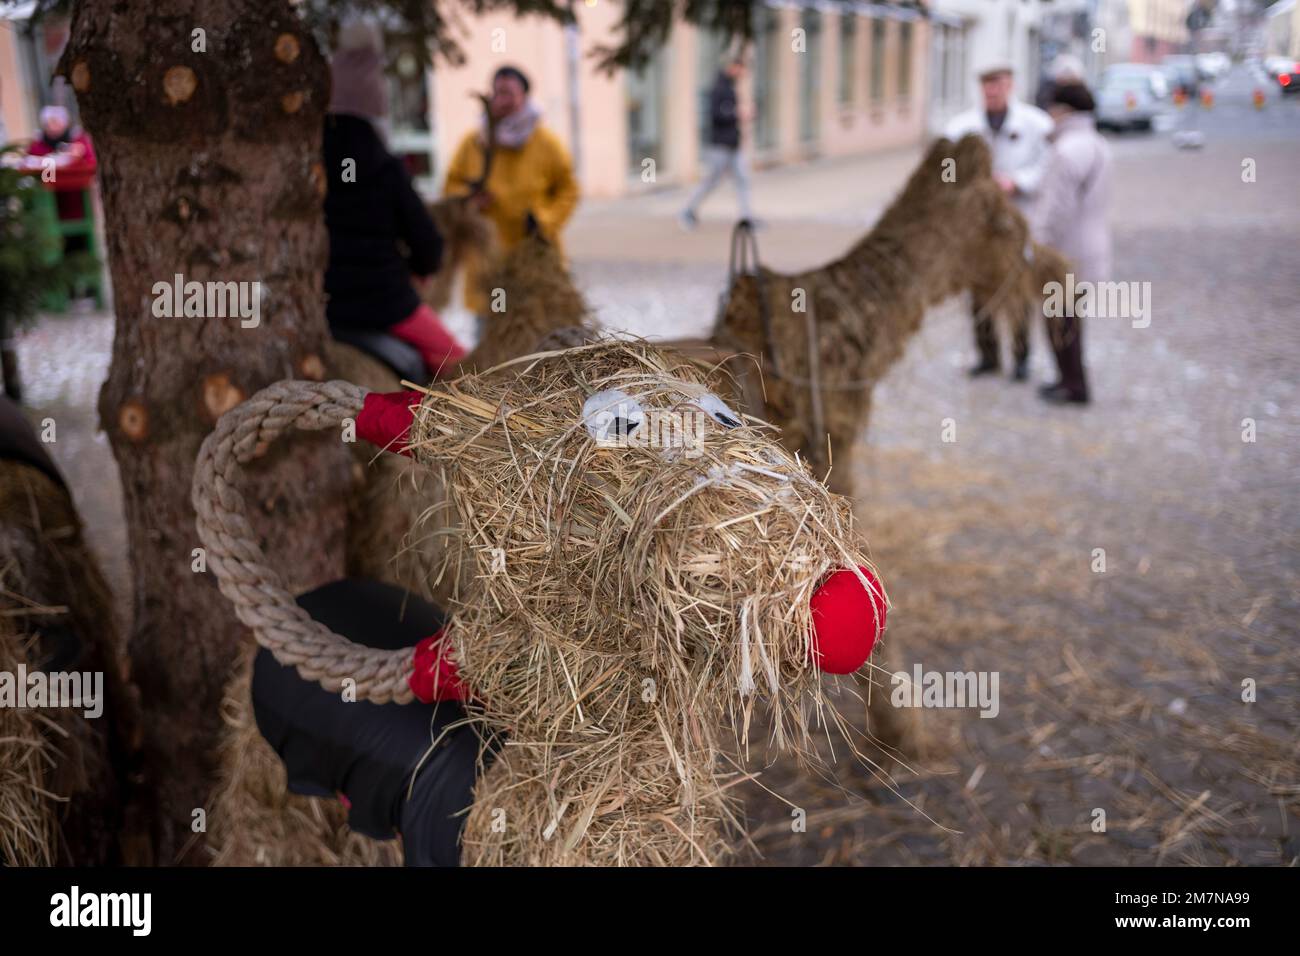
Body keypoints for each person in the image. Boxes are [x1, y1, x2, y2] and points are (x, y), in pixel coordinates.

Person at [322, 21, 465, 376]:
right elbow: (426, 241)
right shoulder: (385, 166)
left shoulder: (308, 163)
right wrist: (423, 268)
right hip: (386, 303)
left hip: (326, 305)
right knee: (461, 365)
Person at [945, 61, 1053, 381]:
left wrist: (1018, 181)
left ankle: (1021, 357)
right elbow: (945, 169)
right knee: (979, 290)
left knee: (1017, 287)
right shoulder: (961, 127)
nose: (993, 91)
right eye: (987, 86)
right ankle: (987, 355)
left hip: (1017, 220)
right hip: (977, 225)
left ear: (1010, 86)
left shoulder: (1036, 124)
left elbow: (1049, 166)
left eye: (999, 84)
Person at [444, 65, 580, 316]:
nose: (502, 100)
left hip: (533, 257)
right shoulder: (474, 143)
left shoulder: (546, 143)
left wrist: (544, 221)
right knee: (490, 336)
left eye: (509, 93)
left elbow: (568, 189)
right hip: (487, 260)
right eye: (497, 93)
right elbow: (452, 184)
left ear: (524, 97)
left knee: (538, 328)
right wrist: (468, 201)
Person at [1032, 81, 1111, 406]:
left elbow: (1056, 210)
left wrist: (1037, 247)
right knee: (1069, 319)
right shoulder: (1096, 143)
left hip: (1066, 252)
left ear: (1062, 111)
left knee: (1060, 321)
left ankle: (1073, 386)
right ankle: (1070, 381)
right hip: (1090, 246)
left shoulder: (1067, 150)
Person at [679, 56, 753, 230]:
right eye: (742, 69)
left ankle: (746, 218)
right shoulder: (719, 88)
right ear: (734, 67)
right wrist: (738, 114)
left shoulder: (730, 87)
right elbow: (716, 116)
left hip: (733, 144)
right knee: (711, 180)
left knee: (743, 179)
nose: (743, 74)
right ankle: (688, 210)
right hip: (720, 145)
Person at [25, 105, 98, 228]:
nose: (53, 128)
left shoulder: (78, 141)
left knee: (78, 223)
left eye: (57, 123)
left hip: (76, 193)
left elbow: (90, 164)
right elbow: (34, 166)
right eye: (50, 123)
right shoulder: (38, 145)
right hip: (50, 195)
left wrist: (76, 155)